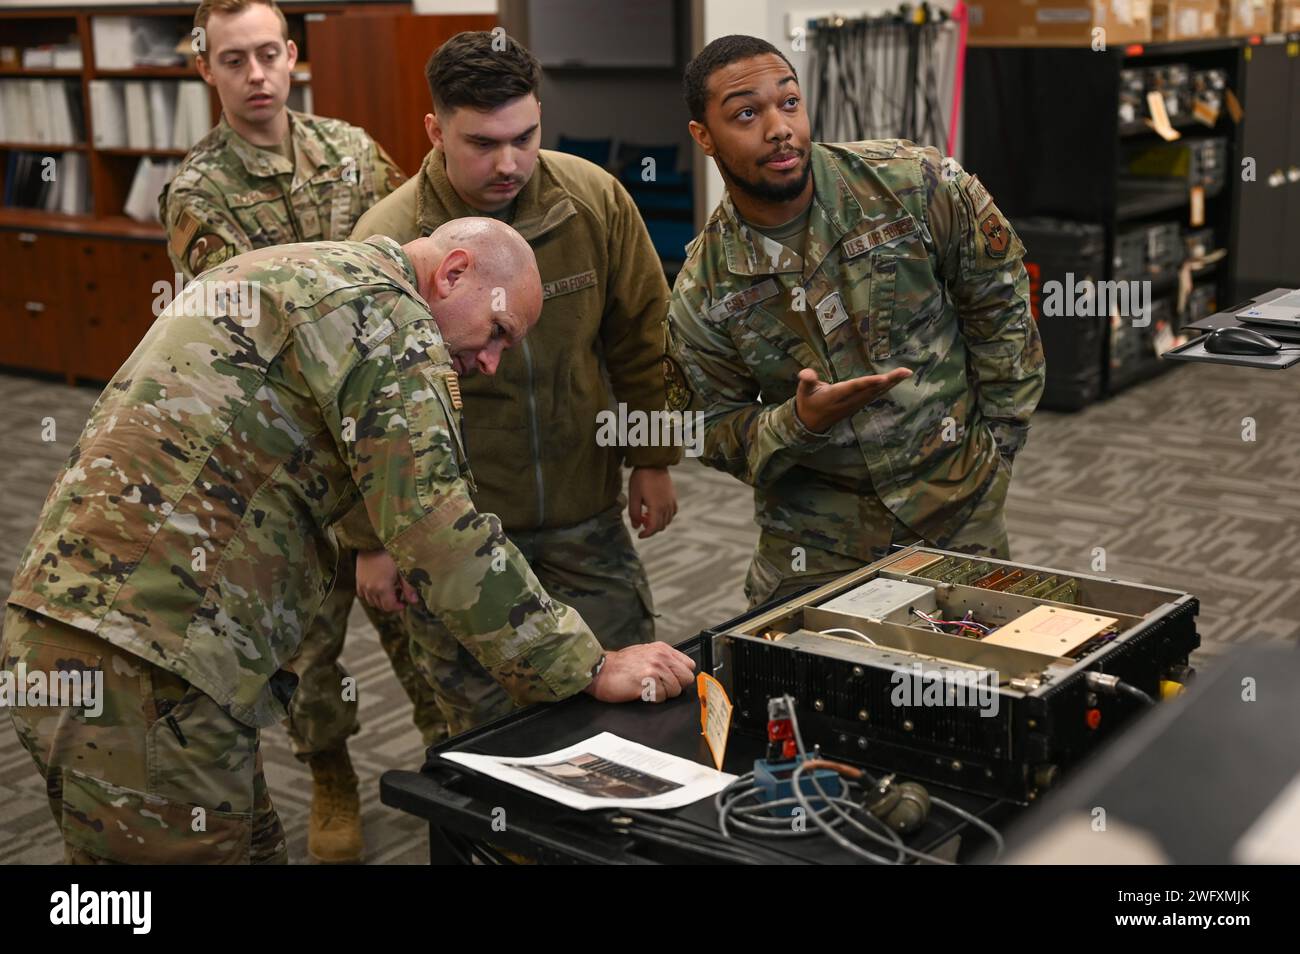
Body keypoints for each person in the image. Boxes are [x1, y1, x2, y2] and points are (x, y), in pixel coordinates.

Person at [2, 218, 696, 865]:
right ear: (452, 273)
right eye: (498, 331)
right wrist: (581, 664)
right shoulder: (387, 318)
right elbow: (437, 528)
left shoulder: (293, 270)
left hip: (102, 640)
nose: (490, 362)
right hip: (143, 666)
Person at [346, 31, 681, 735]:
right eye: (482, 143)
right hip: (461, 532)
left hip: (583, 510)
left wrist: (654, 458)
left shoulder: (592, 201)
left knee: (630, 692)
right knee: (478, 725)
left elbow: (644, 335)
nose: (509, 163)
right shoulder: (390, 238)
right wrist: (372, 541)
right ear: (436, 130)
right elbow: (357, 411)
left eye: (524, 137)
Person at [157, 0, 424, 863]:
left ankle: (454, 760)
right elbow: (257, 342)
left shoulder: (351, 152)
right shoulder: (199, 191)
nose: (257, 76)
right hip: (290, 458)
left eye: (268, 54)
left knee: (430, 619)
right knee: (315, 654)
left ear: (294, 54)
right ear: (208, 69)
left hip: (382, 430)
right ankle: (332, 772)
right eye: (234, 61)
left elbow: (403, 273)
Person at [667, 35, 1046, 608]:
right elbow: (712, 431)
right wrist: (798, 420)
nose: (779, 129)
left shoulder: (915, 184)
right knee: (808, 690)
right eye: (747, 114)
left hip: (957, 504)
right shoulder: (704, 287)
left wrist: (1000, 447)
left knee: (978, 680)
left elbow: (1001, 307)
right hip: (816, 538)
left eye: (789, 102)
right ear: (704, 137)